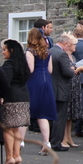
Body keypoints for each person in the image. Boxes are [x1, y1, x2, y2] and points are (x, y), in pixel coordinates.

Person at [0, 39, 31, 164]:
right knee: (16, 128)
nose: (3, 53)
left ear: (11, 50)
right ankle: (17, 155)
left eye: (4, 50)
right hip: (24, 97)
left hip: (11, 97)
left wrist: (0, 95)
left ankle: (9, 157)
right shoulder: (23, 64)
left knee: (7, 128)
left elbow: (5, 82)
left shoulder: (8, 65)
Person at [27, 28, 56, 156]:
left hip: (35, 80)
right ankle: (46, 142)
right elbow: (50, 70)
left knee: (27, 110)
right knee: (43, 113)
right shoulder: (47, 52)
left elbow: (31, 69)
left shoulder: (30, 52)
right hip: (47, 80)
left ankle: (20, 143)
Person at [49, 33, 76, 152]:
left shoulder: (49, 51)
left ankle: (48, 141)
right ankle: (56, 143)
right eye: (69, 45)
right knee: (60, 117)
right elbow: (68, 73)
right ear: (65, 44)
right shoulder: (62, 54)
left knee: (50, 117)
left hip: (50, 88)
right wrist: (74, 70)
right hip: (61, 90)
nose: (69, 47)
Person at [64, 33, 83, 148]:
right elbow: (69, 70)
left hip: (75, 85)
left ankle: (69, 137)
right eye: (74, 45)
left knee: (71, 115)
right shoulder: (65, 56)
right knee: (66, 113)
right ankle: (64, 137)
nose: (75, 47)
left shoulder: (73, 57)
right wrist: (79, 69)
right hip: (69, 85)